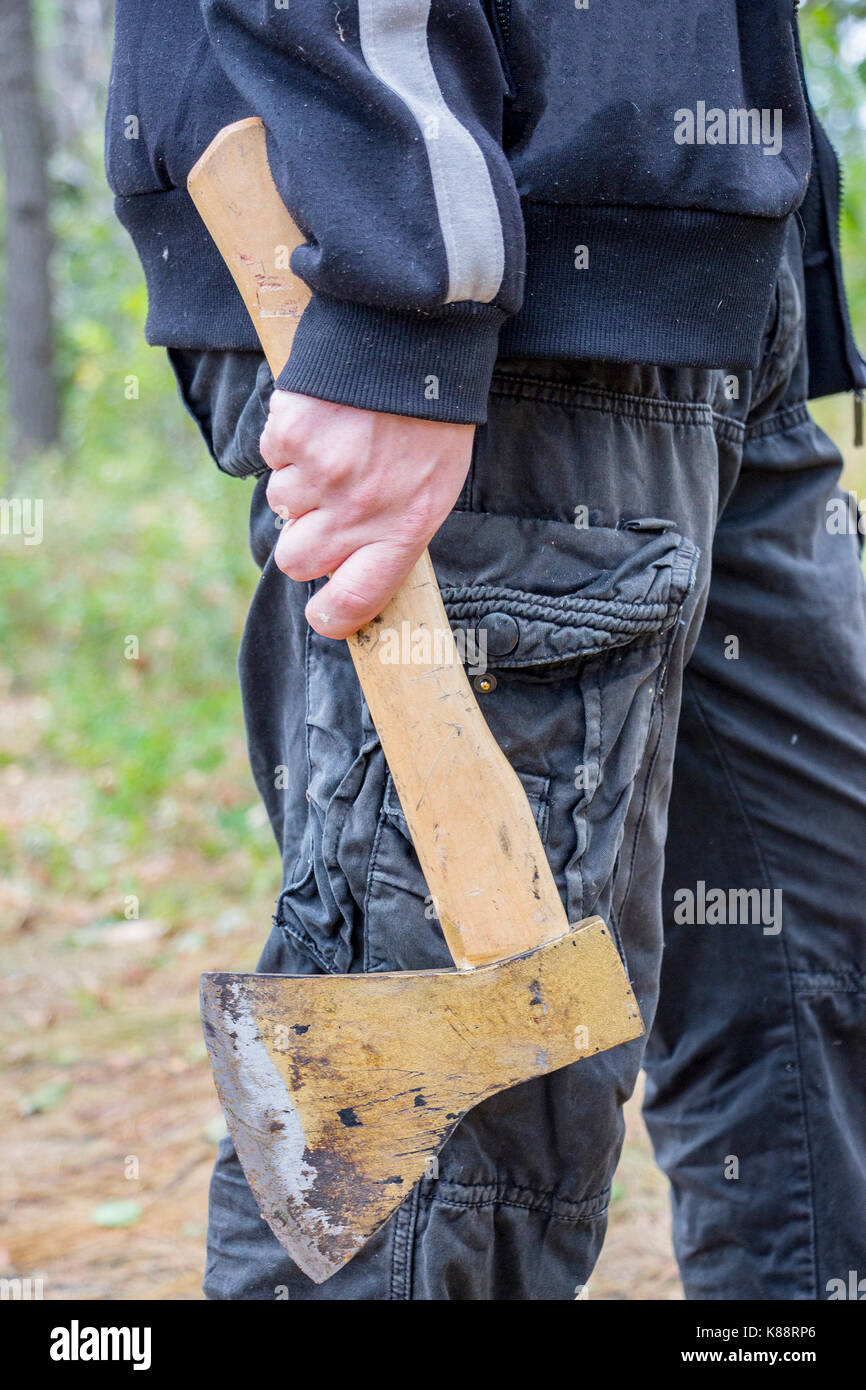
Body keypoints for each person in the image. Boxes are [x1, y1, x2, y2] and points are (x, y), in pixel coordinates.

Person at [106, 2, 866, 1300]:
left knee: (813, 969)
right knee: (451, 1093)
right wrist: (404, 264)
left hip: (689, 278)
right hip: (483, 256)